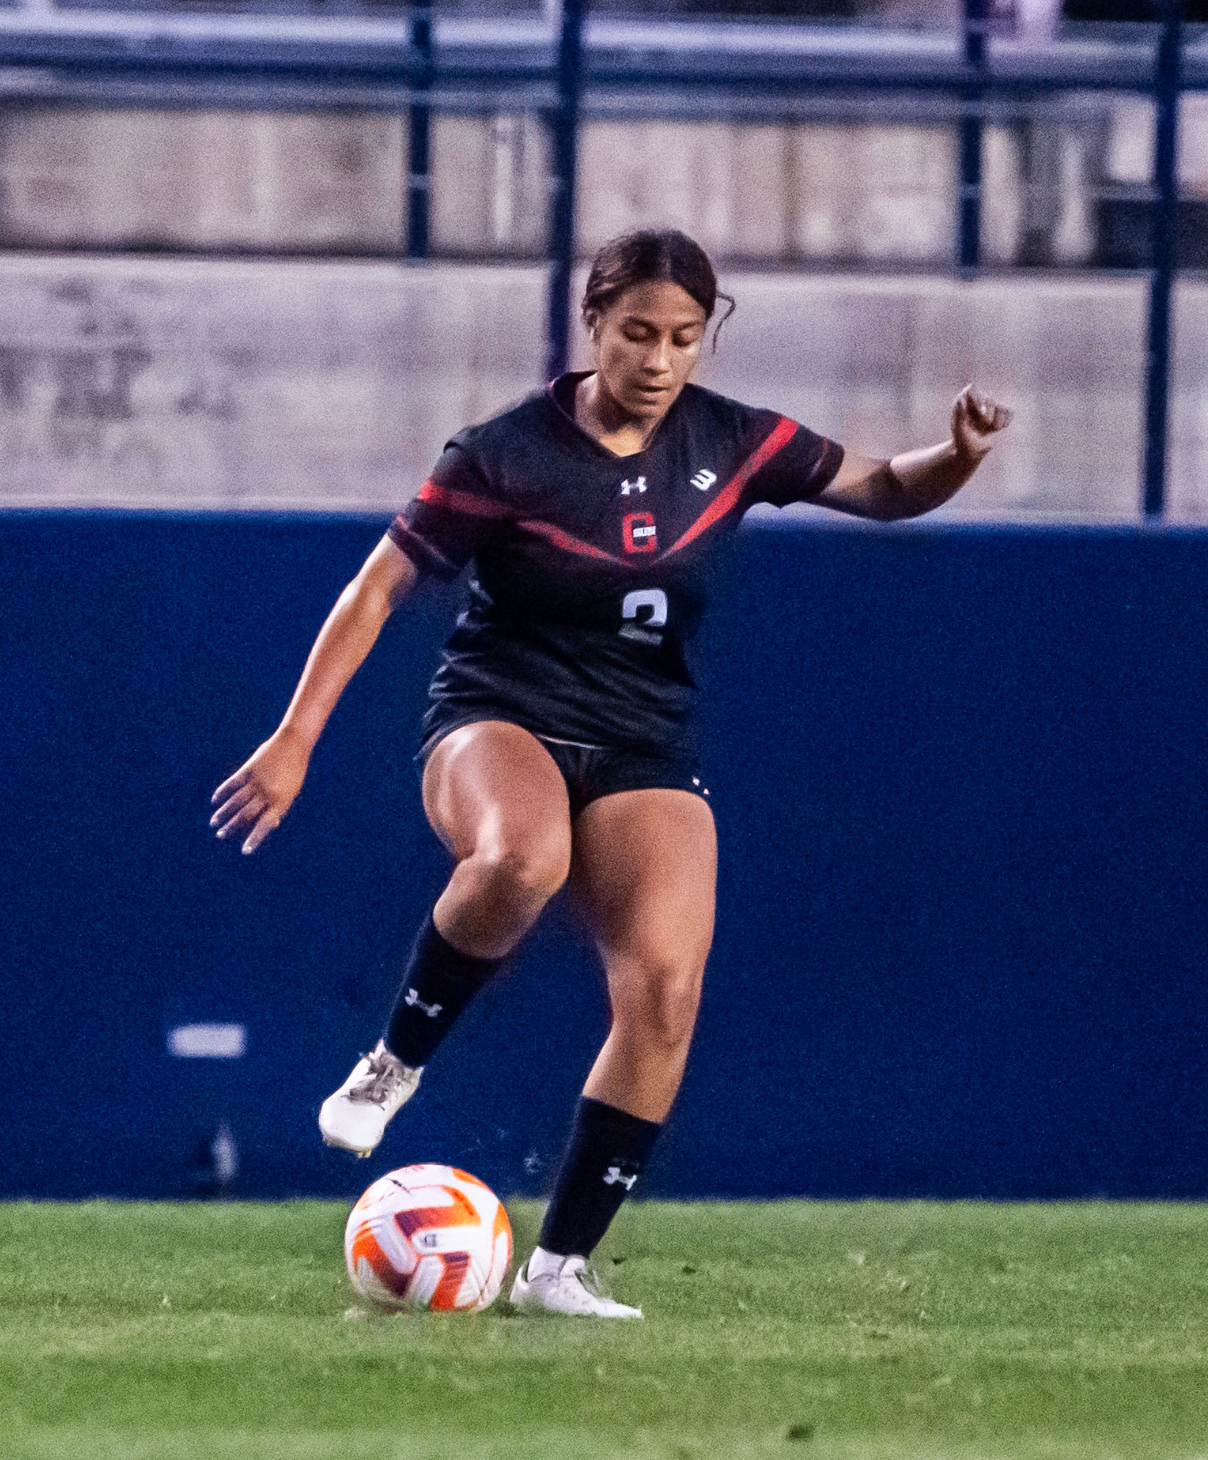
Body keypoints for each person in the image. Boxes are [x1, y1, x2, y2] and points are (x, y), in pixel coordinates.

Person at [210, 228, 1012, 1319]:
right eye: (637, 331)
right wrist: (295, 735)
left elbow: (879, 489)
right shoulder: (502, 453)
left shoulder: (732, 440)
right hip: (497, 716)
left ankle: (557, 1269)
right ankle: (392, 1063)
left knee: (665, 991)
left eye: (683, 336)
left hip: (641, 740)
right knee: (519, 858)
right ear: (593, 324)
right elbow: (375, 588)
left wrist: (954, 456)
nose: (658, 357)